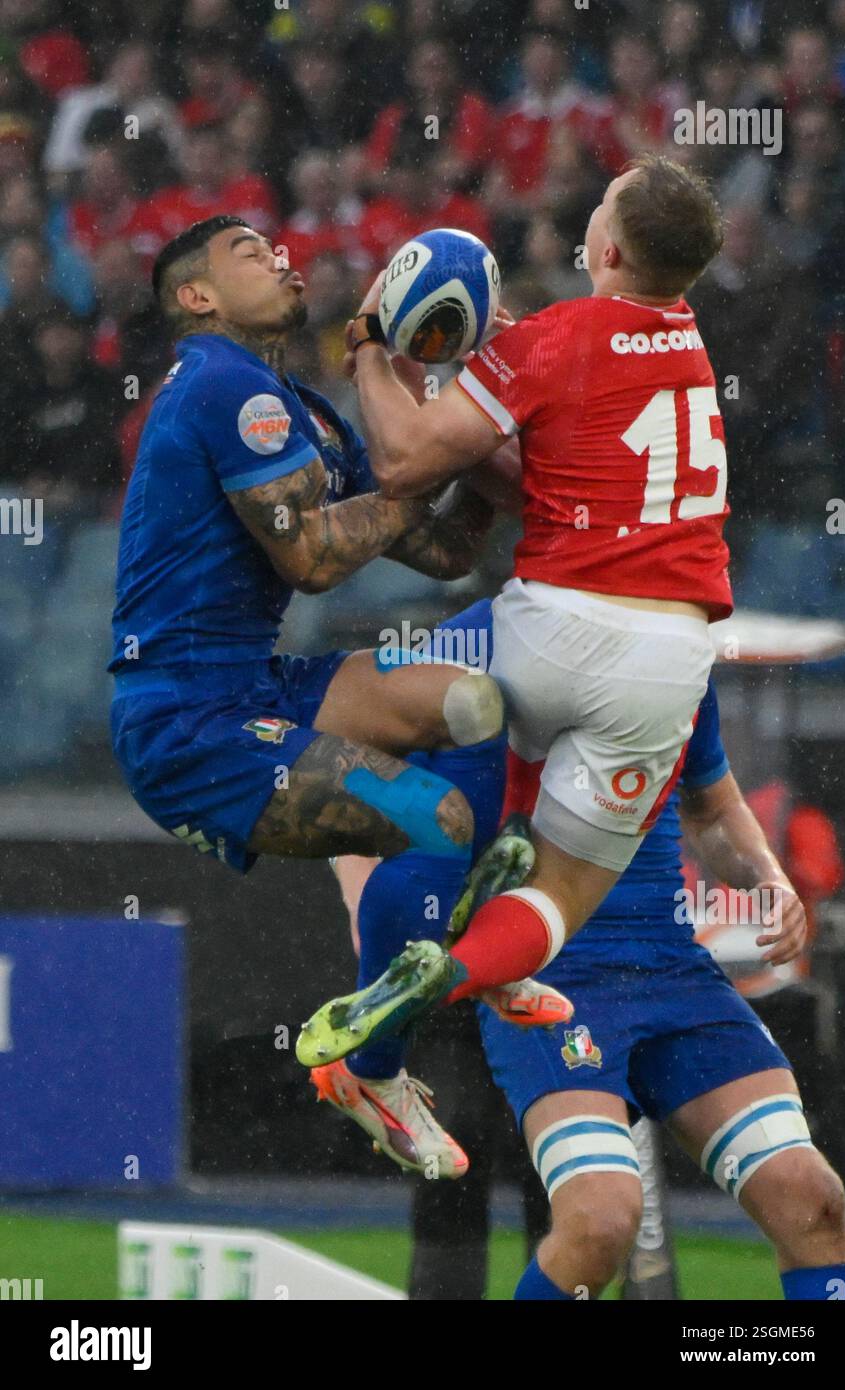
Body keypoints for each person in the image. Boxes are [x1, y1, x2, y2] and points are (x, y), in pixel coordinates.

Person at [108, 213, 569, 1173]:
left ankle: (465, 938)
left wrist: (488, 410)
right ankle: (373, 1069)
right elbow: (315, 559)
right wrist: (443, 441)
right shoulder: (220, 386)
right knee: (437, 818)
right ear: (196, 297)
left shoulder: (297, 405)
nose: (278, 256)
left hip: (256, 682)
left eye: (275, 245)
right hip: (188, 723)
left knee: (477, 703)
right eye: (246, 253)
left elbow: (443, 549)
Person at [300, 154, 732, 1062]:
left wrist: (376, 350)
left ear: (605, 248)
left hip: (552, 623)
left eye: (601, 202)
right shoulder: (688, 343)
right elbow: (551, 475)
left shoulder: (554, 339)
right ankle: (459, 967)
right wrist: (487, 368)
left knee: (349, 709)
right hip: (668, 664)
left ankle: (235, 739)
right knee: (563, 894)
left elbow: (406, 462)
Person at [321, 615, 845, 1302]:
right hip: (533, 983)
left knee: (810, 1199)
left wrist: (767, 877)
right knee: (586, 1219)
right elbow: (356, 789)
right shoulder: (469, 646)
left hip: (671, 971)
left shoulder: (675, 653)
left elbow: (711, 808)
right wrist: (374, 932)